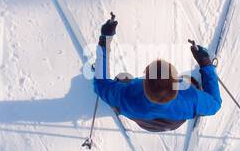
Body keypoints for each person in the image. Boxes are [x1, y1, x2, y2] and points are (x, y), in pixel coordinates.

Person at [92, 13, 222, 132]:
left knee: (122, 78)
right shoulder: (190, 98)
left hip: (142, 119)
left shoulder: (126, 95)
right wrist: (205, 63)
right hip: (173, 123)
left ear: (145, 81)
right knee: (190, 82)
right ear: (175, 82)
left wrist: (105, 39)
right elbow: (215, 103)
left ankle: (118, 106)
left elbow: (100, 83)